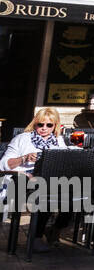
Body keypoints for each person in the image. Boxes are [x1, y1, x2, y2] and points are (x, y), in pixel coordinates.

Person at [2, 108, 69, 252]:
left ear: (55, 125)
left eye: (49, 125)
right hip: (22, 179)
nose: (44, 128)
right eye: (40, 124)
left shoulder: (58, 141)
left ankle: (54, 229)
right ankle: (36, 237)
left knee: (79, 193)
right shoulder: (22, 139)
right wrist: (24, 158)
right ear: (35, 124)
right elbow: (4, 163)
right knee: (46, 192)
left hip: (50, 179)